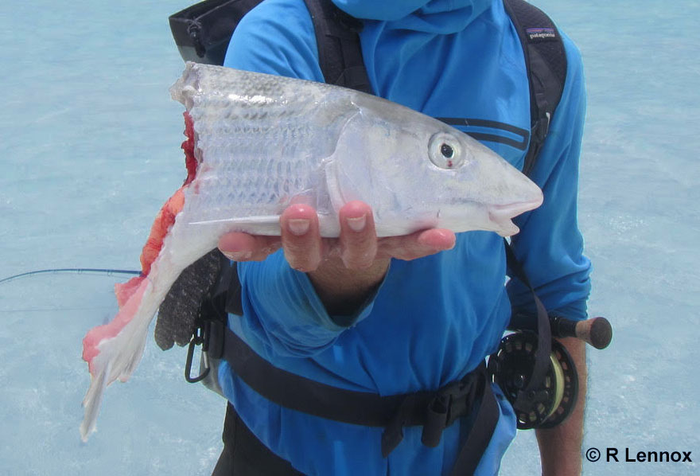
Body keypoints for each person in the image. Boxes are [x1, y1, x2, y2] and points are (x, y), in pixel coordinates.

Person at [209, 0, 591, 474]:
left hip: (466, 449)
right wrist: (341, 277)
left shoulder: (543, 57)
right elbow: (271, 319)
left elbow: (556, 289)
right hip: (284, 449)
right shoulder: (281, 33)